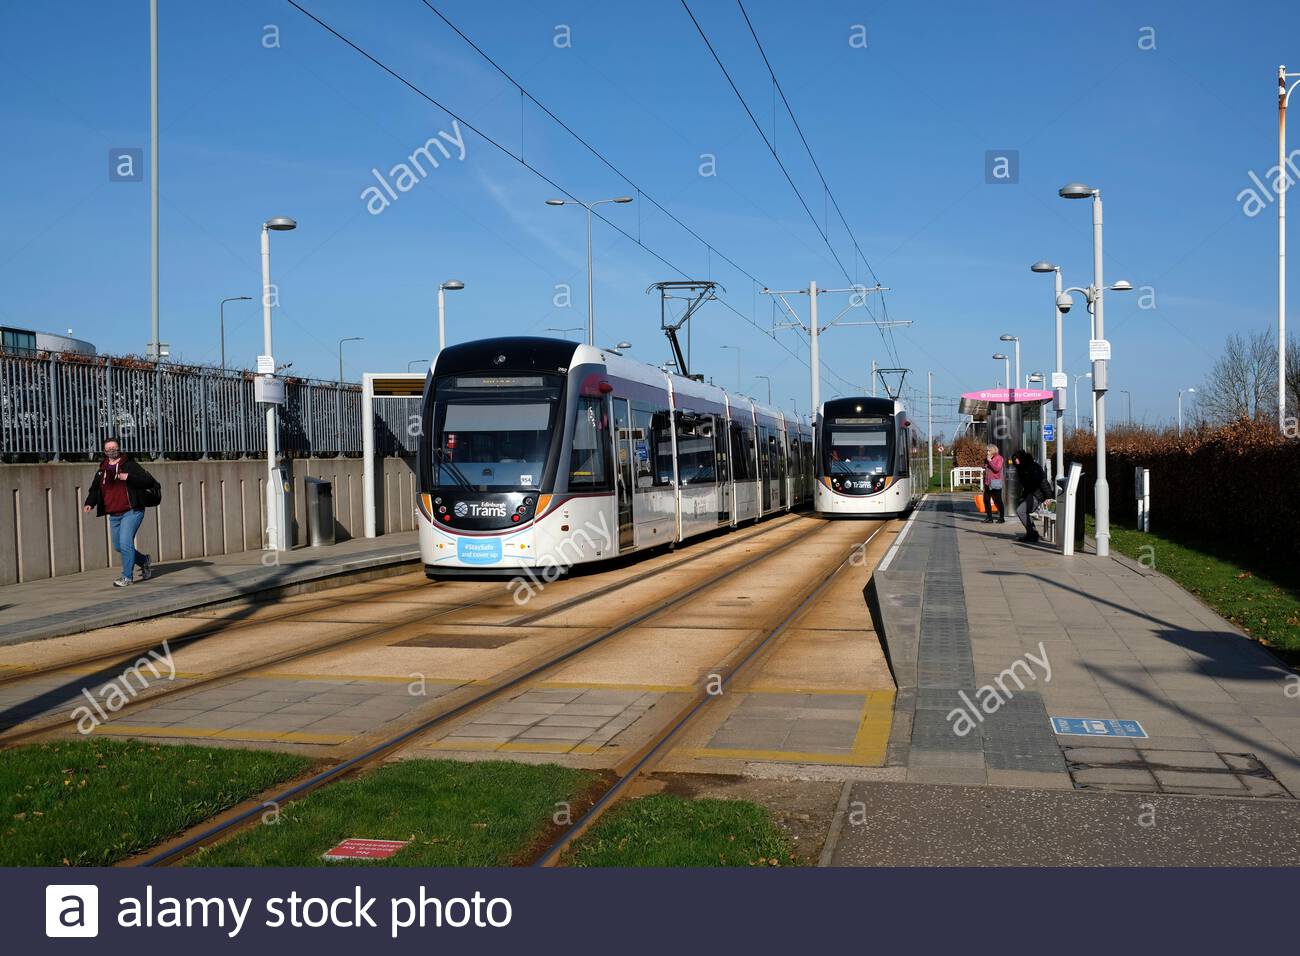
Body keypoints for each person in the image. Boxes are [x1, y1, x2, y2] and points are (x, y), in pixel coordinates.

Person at [82, 438, 157, 587]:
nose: (112, 450)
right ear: (104, 452)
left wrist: (128, 477)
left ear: (119, 449)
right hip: (114, 514)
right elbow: (95, 489)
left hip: (132, 511)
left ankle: (126, 577)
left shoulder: (130, 465)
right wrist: (90, 503)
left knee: (125, 542)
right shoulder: (101, 471)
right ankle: (144, 561)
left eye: (114, 448)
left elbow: (148, 481)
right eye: (108, 448)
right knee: (118, 546)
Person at [1010, 448, 1052, 544]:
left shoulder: (1033, 467)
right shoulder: (1021, 469)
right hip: (1032, 494)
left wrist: (1048, 497)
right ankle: (1032, 533)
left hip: (1038, 494)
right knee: (1022, 511)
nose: (1016, 462)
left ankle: (1032, 534)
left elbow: (1043, 481)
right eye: (1014, 460)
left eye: (1017, 459)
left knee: (1021, 511)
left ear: (1022, 458)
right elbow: (1026, 486)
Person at [982, 444, 1005, 524]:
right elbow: (986, 469)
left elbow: (997, 469)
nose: (987, 452)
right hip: (987, 483)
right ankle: (989, 517)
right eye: (987, 451)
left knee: (998, 501)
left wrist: (990, 461)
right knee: (986, 500)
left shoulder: (999, 458)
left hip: (995, 483)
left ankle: (1001, 517)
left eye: (989, 450)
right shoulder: (987, 459)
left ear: (993, 450)